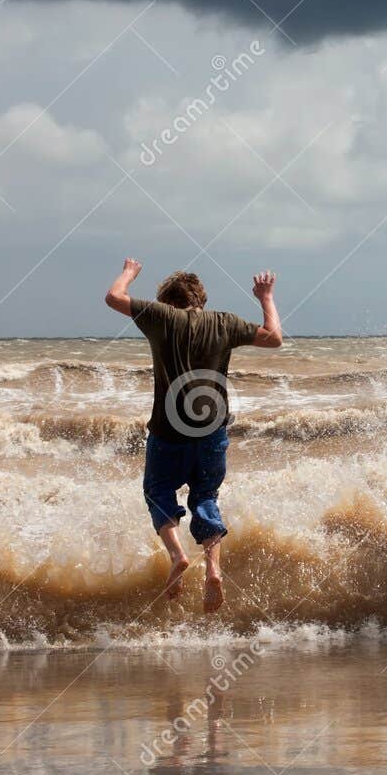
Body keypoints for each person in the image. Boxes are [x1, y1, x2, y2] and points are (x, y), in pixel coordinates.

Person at [105, 260, 282, 611]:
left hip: (168, 432)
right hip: (211, 432)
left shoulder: (160, 317)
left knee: (158, 492)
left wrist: (129, 272)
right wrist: (265, 296)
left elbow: (113, 297)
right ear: (200, 299)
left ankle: (177, 556)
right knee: (205, 496)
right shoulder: (225, 322)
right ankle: (213, 568)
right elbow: (274, 337)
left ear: (169, 303)